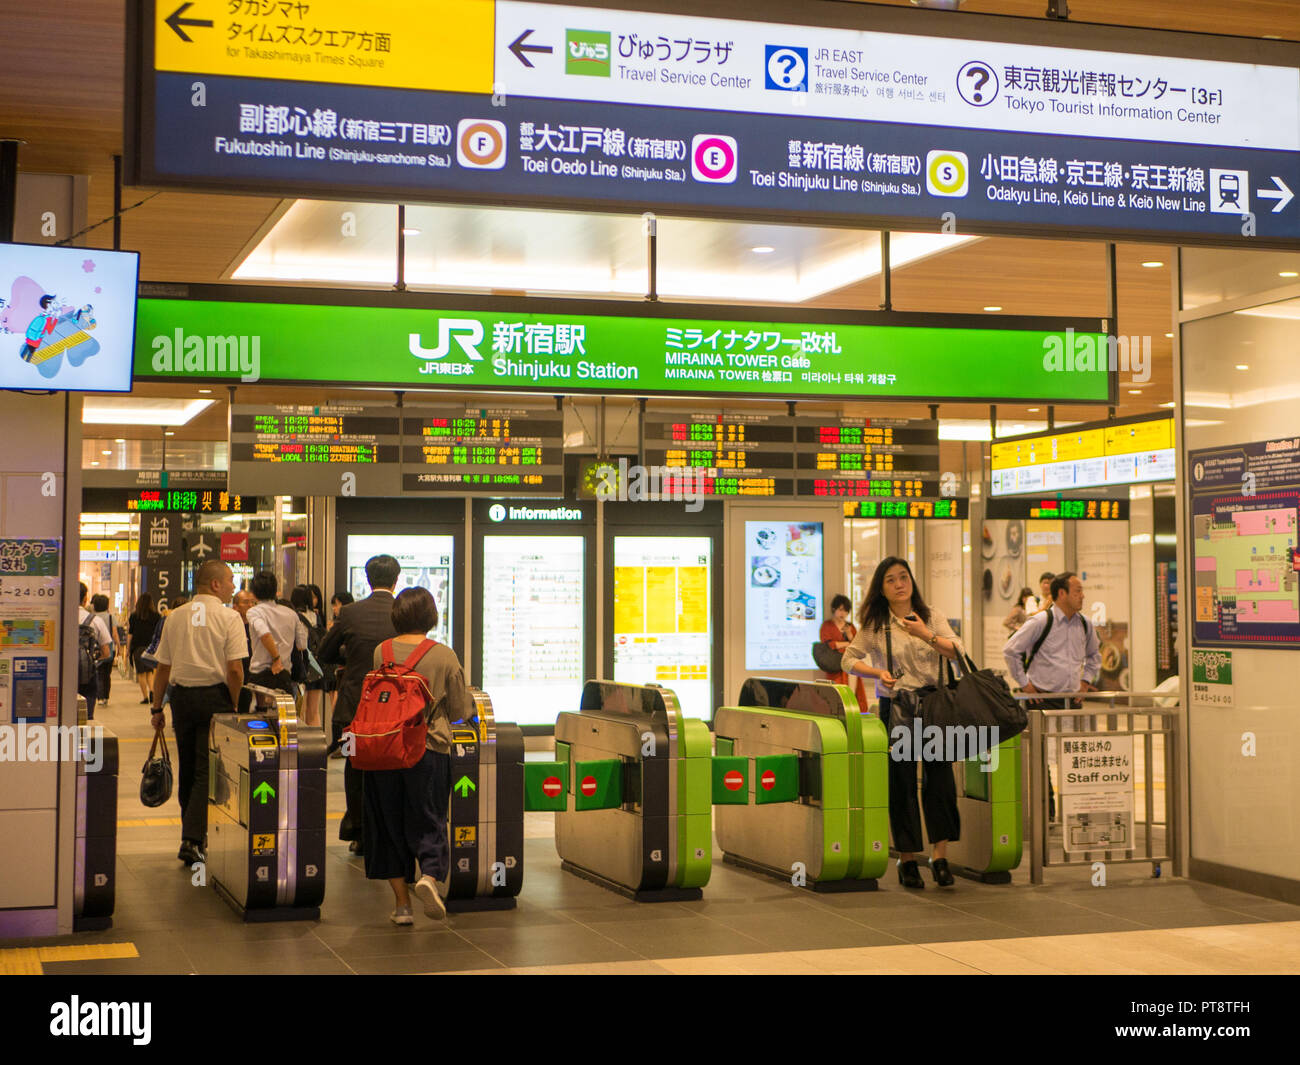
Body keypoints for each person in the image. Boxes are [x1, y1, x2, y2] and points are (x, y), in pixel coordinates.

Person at [841, 557, 963, 890]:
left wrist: (926, 634)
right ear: (881, 589)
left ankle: (940, 856)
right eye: (891, 580)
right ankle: (907, 859)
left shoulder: (931, 616)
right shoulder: (877, 624)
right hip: (897, 708)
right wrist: (877, 673)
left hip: (935, 706)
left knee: (941, 781)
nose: (899, 584)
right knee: (902, 783)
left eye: (904, 577)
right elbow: (848, 658)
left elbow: (958, 652)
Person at [364, 586, 470, 926]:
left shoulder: (381, 651)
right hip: (429, 748)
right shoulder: (444, 655)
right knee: (430, 817)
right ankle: (430, 876)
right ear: (431, 616)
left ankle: (402, 907)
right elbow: (458, 709)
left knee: (389, 824)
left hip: (384, 748)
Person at [150, 561, 247, 865]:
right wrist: (233, 703)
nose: (235, 585)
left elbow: (162, 668)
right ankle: (193, 840)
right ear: (215, 584)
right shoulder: (230, 618)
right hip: (215, 698)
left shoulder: (174, 617)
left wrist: (157, 707)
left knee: (189, 768)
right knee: (209, 770)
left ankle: (191, 836)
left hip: (182, 699)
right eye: (231, 580)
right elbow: (235, 670)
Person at [1001, 571, 1101, 821]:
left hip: (1071, 701)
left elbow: (1094, 657)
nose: (1082, 595)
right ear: (1062, 593)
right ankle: (1047, 813)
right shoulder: (1040, 622)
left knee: (1073, 757)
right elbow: (1011, 650)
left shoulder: (1085, 624)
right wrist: (1024, 684)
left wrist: (1085, 681)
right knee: (1041, 760)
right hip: (1041, 700)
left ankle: (1074, 815)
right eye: (1077, 590)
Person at [319, 556, 401, 857]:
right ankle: (388, 831)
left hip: (355, 707)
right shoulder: (403, 610)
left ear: (368, 580)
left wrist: (349, 653)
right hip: (394, 709)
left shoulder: (350, 612)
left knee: (355, 768)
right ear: (396, 580)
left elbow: (324, 652)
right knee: (391, 768)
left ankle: (360, 832)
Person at [246, 571, 308, 705]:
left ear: (254, 593)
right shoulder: (291, 614)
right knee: (283, 720)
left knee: (258, 718)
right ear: (275, 590)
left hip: (260, 675)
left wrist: (276, 659)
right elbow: (302, 644)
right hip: (284, 676)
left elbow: (265, 634)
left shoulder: (254, 612)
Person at [819, 594, 868, 712]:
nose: (843, 614)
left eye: (846, 611)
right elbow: (829, 645)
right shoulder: (827, 626)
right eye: (840, 610)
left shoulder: (850, 626)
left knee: (852, 691)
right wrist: (847, 643)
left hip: (851, 664)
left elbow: (858, 645)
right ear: (834, 609)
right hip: (835, 665)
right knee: (835, 692)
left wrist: (849, 635)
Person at [76, 583, 113, 720]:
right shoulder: (95, 620)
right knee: (86, 717)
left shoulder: (59, 617)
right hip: (87, 675)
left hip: (62, 675)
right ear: (85, 599)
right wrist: (92, 660)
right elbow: (106, 652)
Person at [290, 584, 325, 726]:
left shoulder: (293, 616)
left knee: (300, 710)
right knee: (314, 711)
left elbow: (299, 645)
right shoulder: (315, 616)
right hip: (316, 666)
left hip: (302, 666)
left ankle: (303, 745)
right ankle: (317, 745)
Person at [128, 593, 161, 705]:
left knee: (141, 673)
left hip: (138, 647)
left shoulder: (134, 616)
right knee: (149, 672)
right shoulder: (156, 616)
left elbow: (130, 634)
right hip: (151, 647)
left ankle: (145, 697)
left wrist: (128, 649)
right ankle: (152, 691)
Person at [89, 593, 117, 706]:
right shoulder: (111, 617)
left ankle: (100, 697)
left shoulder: (92, 617)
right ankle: (106, 696)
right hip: (110, 649)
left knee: (99, 673)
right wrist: (118, 646)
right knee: (107, 674)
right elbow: (114, 634)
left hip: (96, 649)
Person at [232, 589, 256, 713]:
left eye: (253, 602)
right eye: (246, 602)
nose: (250, 605)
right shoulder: (230, 626)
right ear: (235, 607)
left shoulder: (256, 627)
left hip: (249, 679)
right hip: (233, 677)